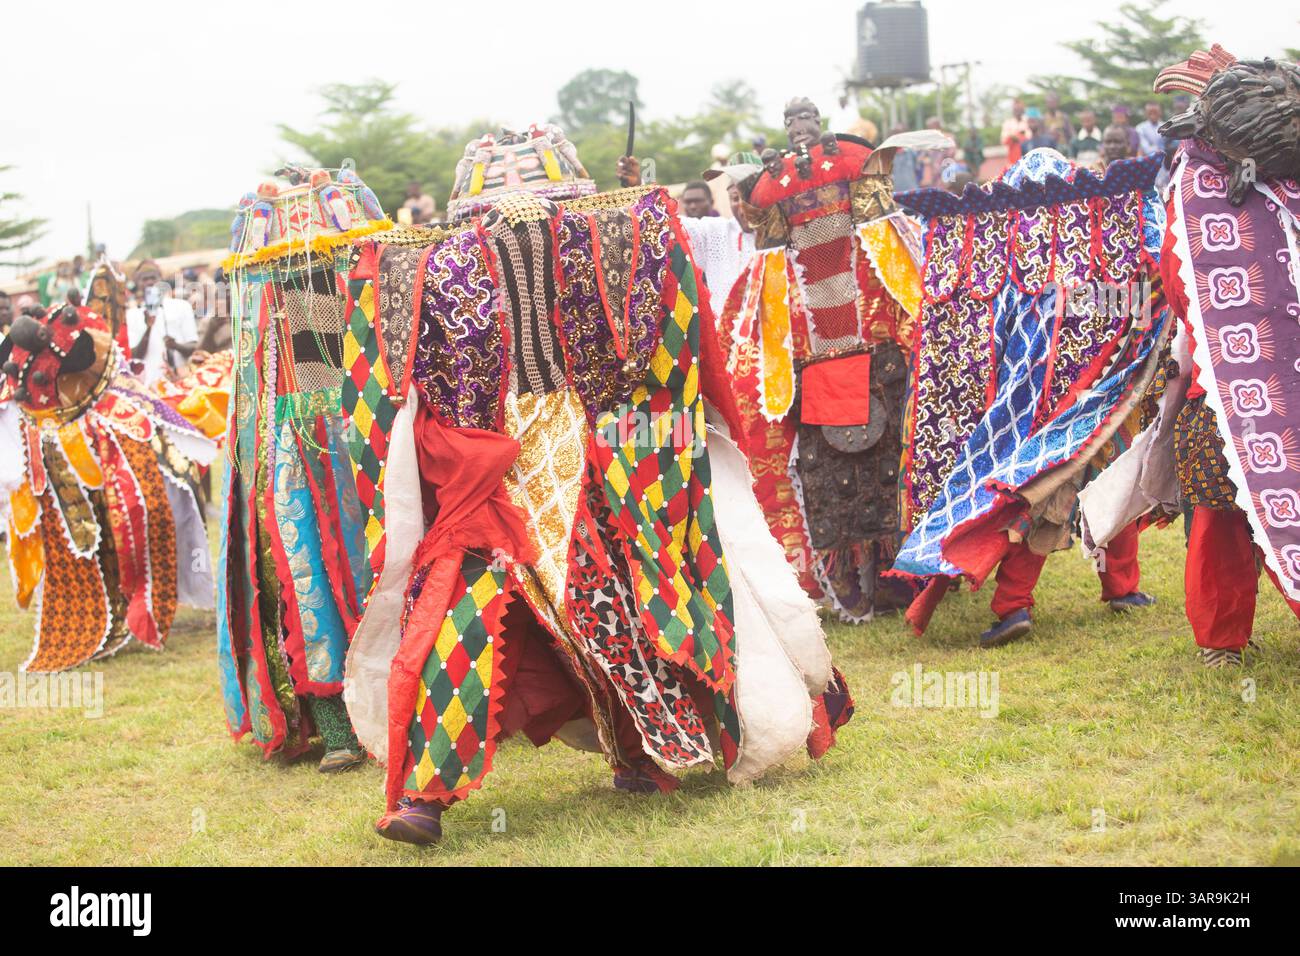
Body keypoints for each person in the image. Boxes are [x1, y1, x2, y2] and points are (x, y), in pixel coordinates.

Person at [895, 148, 1169, 647]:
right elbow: (1149, 282)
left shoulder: (1002, 246)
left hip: (1047, 402)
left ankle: (1017, 604)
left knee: (1047, 493)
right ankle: (1112, 588)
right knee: (1099, 480)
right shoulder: (1096, 234)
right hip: (1097, 386)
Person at [1153, 44, 1300, 666]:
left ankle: (1223, 640)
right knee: (1221, 518)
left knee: (1221, 522)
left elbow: (1177, 287)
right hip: (1227, 390)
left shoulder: (1195, 201)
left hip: (1222, 388)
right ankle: (1221, 637)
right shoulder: (1212, 199)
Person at [125, 261, 198, 385]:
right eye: (144, 279)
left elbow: (193, 347)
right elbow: (134, 356)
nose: (149, 282)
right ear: (138, 283)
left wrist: (176, 346)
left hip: (181, 382)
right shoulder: (132, 315)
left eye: (153, 278)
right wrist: (148, 329)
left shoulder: (182, 306)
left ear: (161, 280)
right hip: (148, 385)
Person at [1000, 98, 1030, 168]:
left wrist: (1016, 136)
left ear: (1023, 110)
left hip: (1027, 156)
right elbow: (1004, 141)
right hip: (1013, 159)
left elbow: (1030, 137)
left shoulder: (1029, 121)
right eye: (1016, 109)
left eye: (1019, 109)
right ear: (1013, 110)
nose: (1018, 111)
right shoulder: (1007, 123)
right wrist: (1017, 136)